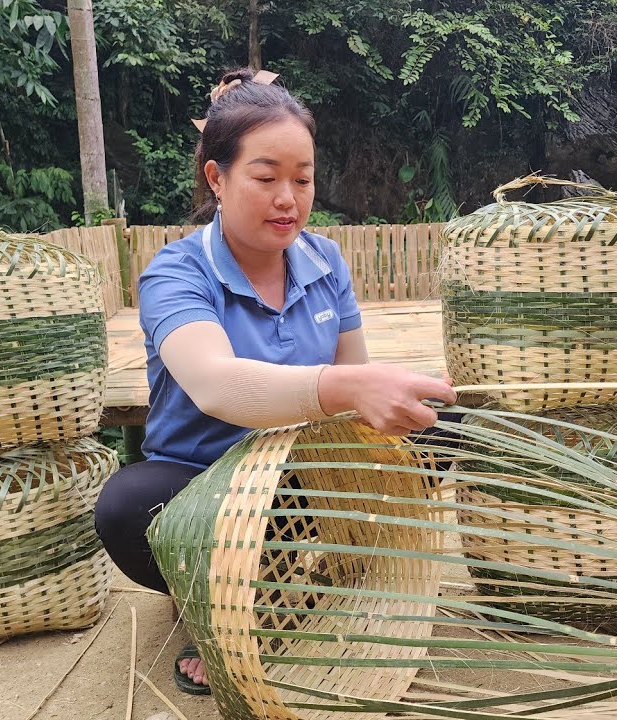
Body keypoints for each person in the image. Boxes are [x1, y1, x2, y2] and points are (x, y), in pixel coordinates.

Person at [92, 67, 457, 696]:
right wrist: (348, 388)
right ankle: (222, 592)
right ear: (217, 177)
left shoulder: (325, 261)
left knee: (443, 421)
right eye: (266, 178)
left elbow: (354, 382)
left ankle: (308, 575)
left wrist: (377, 399)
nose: (288, 197)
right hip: (204, 485)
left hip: (306, 475)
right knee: (127, 505)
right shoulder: (176, 273)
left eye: (303, 179)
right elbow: (216, 385)